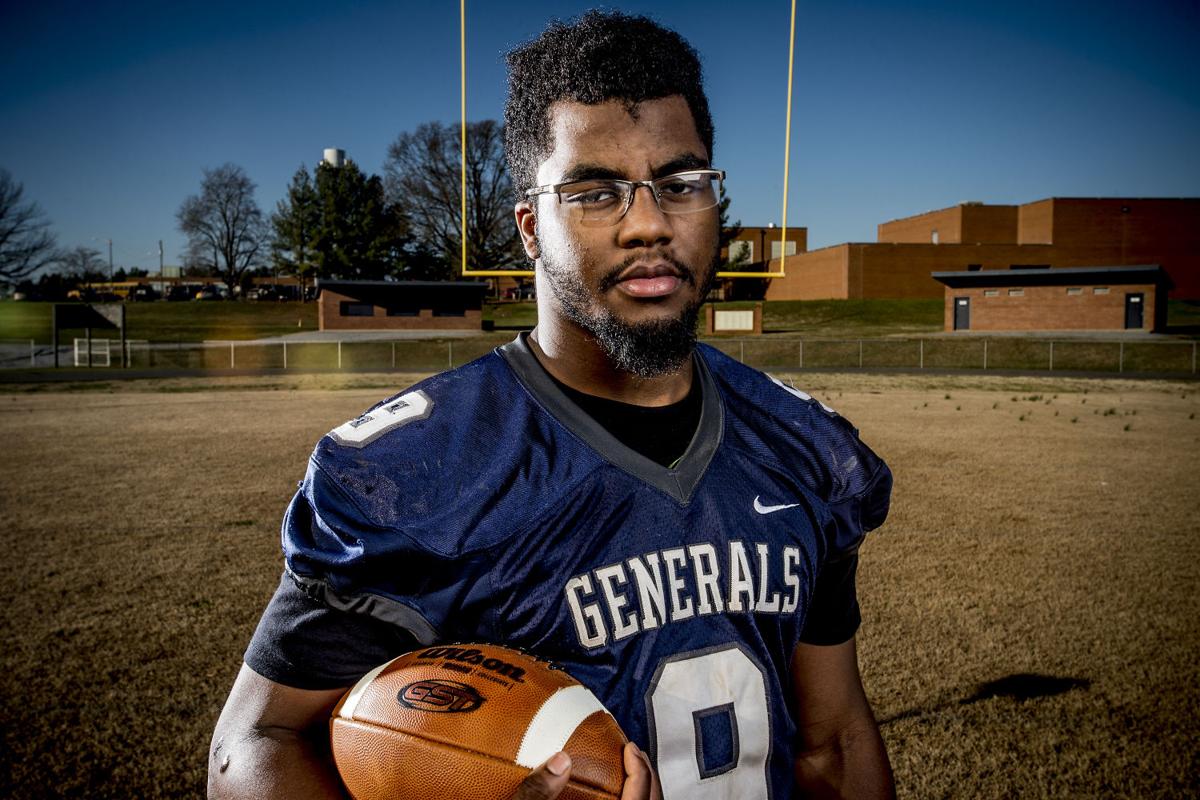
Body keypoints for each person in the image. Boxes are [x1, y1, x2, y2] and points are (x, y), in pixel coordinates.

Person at [209, 10, 895, 800]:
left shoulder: (806, 447)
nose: (649, 223)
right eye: (595, 191)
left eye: (680, 184)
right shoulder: (421, 471)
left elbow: (834, 743)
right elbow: (255, 741)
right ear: (531, 228)